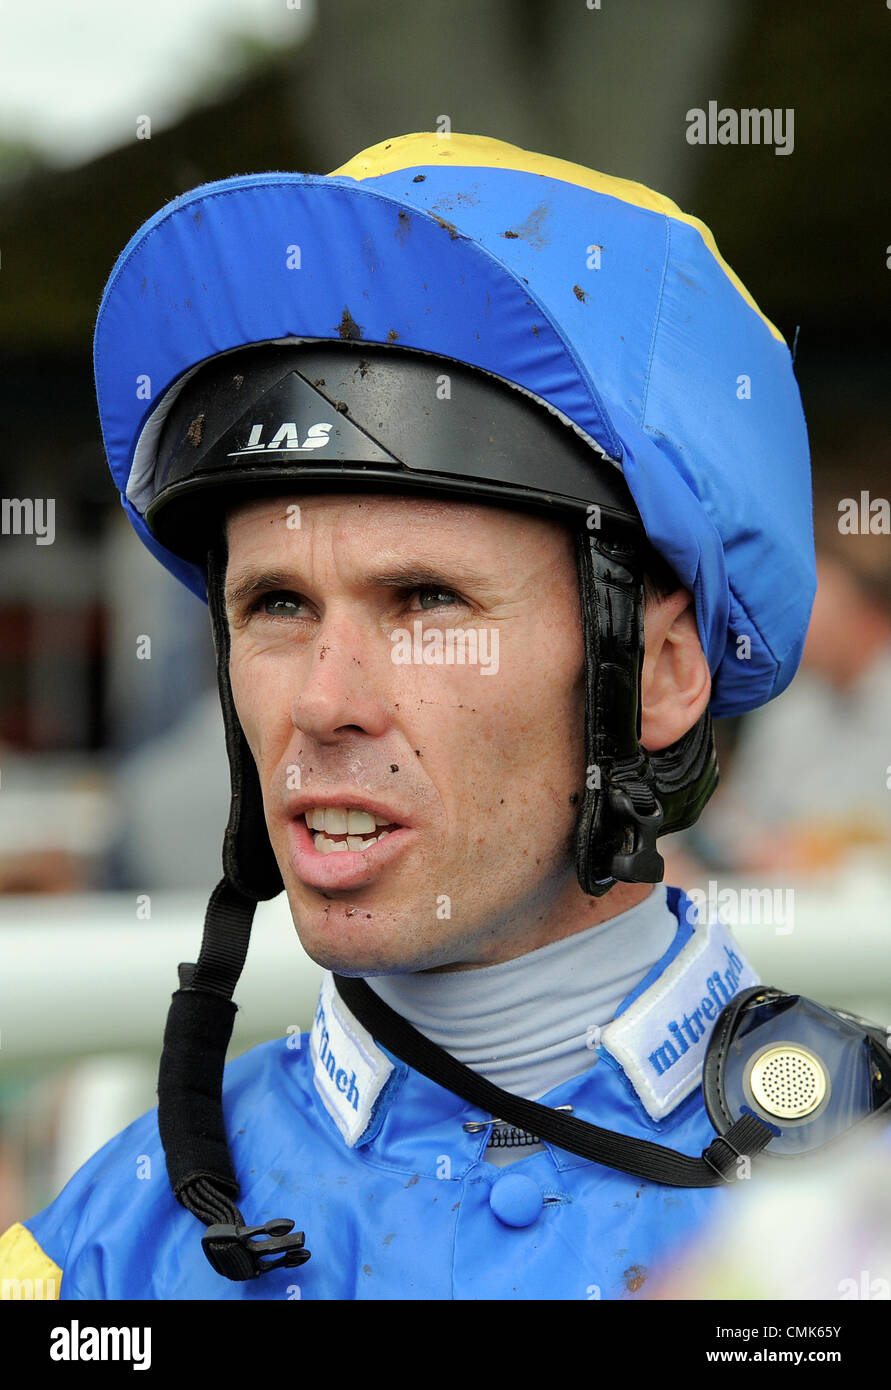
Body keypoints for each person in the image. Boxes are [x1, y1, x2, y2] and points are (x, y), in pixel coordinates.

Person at [2, 132, 887, 1302]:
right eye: (275, 603)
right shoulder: (93, 1254)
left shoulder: (850, 1229)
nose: (322, 700)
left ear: (663, 671)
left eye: (425, 600)